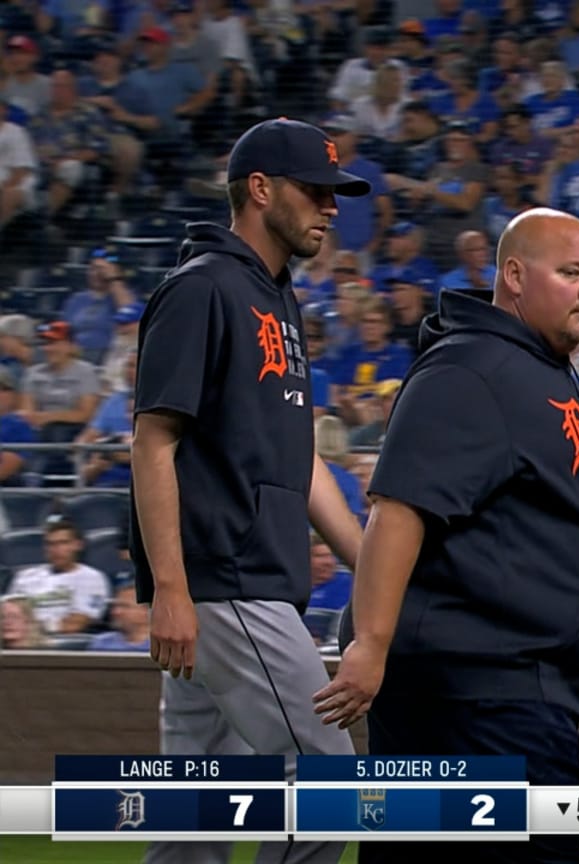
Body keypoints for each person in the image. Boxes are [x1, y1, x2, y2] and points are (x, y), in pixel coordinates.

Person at [313, 207, 579, 864]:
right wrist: (370, 643)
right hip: (474, 702)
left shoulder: (545, 372)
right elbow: (398, 511)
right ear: (513, 276)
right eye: (571, 272)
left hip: (511, 695)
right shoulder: (469, 370)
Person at [130, 118, 370, 864]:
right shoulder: (203, 288)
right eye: (315, 190)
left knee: (196, 810)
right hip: (228, 581)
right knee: (331, 781)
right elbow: (152, 442)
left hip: (238, 584)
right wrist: (171, 587)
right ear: (260, 190)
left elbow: (297, 468)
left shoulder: (277, 300)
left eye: (335, 193)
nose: (330, 207)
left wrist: (377, 568)